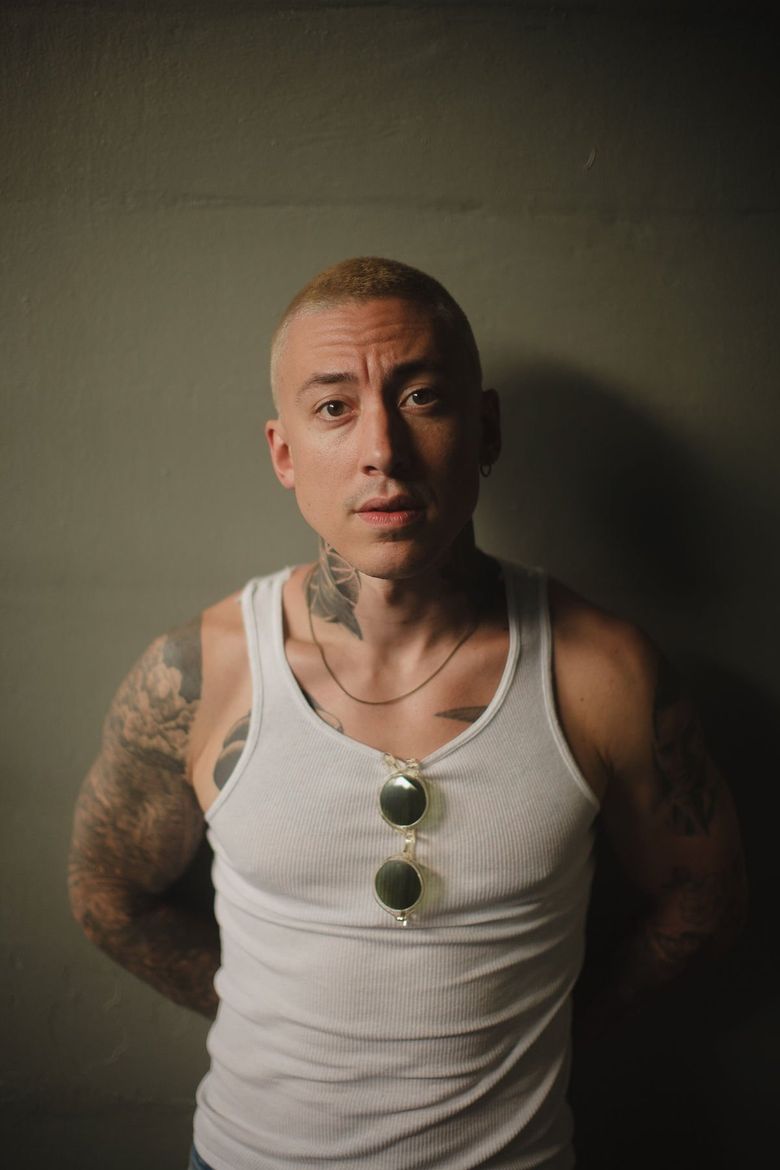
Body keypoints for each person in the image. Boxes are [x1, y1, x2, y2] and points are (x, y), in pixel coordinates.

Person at [68, 257, 746, 1170]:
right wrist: (280, 1025)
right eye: (334, 407)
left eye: (422, 397)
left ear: (485, 429)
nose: (382, 449)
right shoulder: (199, 675)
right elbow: (107, 897)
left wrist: (541, 1030)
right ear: (283, 453)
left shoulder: (603, 672)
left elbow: (705, 901)